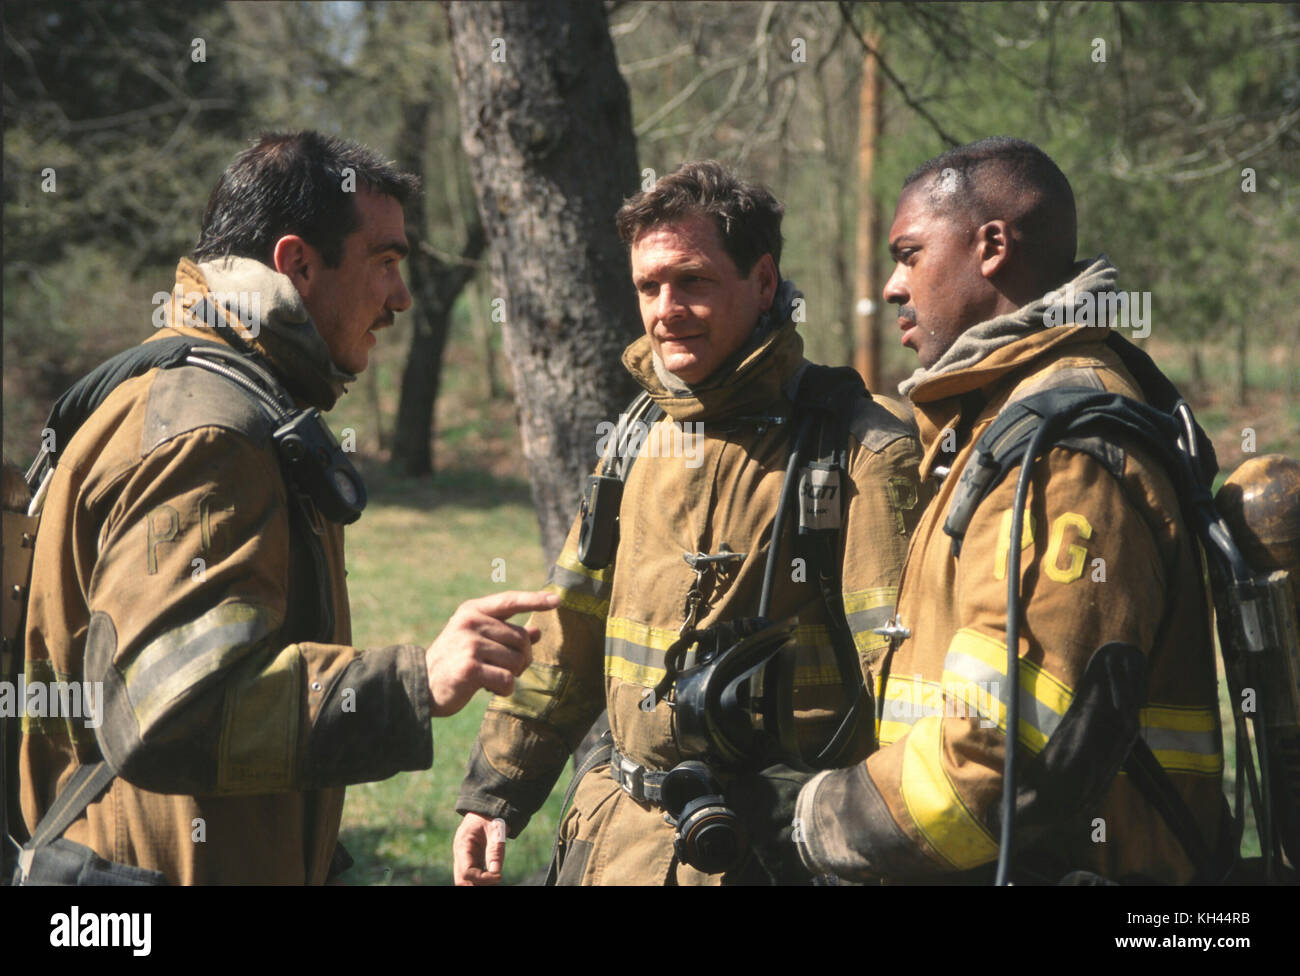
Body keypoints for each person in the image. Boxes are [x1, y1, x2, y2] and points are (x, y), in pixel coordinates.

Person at [14, 131, 557, 884]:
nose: (401, 298)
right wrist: (415, 681)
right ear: (298, 263)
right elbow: (166, 711)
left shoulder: (207, 395)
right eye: (386, 263)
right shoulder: (210, 431)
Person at [452, 161, 927, 885]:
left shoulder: (858, 449)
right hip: (613, 847)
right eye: (649, 286)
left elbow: (907, 695)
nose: (665, 308)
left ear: (764, 283)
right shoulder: (636, 435)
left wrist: (841, 830)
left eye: (693, 281)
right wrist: (495, 793)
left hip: (765, 858)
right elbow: (569, 629)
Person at [790, 137, 1228, 883]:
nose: (893, 287)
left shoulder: (1064, 450)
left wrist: (813, 819)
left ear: (991, 245)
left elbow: (993, 757)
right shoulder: (999, 427)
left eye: (909, 253)